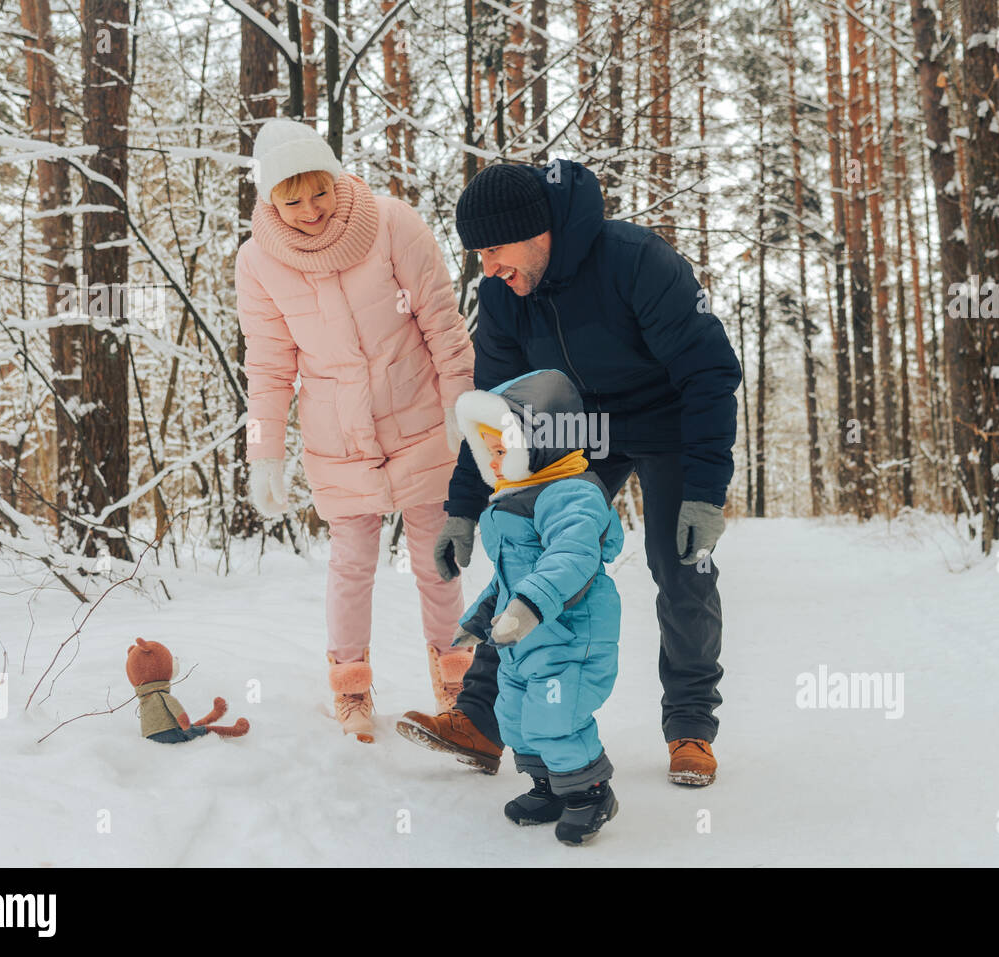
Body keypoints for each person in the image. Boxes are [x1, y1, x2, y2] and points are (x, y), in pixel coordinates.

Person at [396, 159, 740, 785]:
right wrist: (465, 507)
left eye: (495, 249)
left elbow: (710, 372)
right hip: (576, 430)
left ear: (537, 230)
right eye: (478, 255)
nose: (488, 266)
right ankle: (481, 719)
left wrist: (704, 492)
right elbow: (494, 405)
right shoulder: (503, 294)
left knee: (681, 565)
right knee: (526, 546)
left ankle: (690, 725)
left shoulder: (637, 261)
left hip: (668, 421)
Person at [235, 118, 476, 742]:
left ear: (334, 177)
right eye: (291, 200)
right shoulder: (259, 261)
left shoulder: (391, 222)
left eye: (318, 191)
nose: (309, 210)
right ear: (269, 200)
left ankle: (457, 690)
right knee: (351, 566)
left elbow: (442, 323)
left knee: (437, 559)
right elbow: (267, 362)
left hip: (421, 421)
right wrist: (264, 454)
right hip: (337, 438)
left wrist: (459, 407)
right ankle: (352, 693)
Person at [440, 368, 624, 844]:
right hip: (521, 639)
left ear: (541, 442)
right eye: (490, 451)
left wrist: (527, 607)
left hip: (569, 633)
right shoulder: (509, 501)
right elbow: (506, 579)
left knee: (555, 715)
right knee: (515, 713)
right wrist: (481, 620)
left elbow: (572, 557)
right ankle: (548, 787)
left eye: (505, 449)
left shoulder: (571, 493)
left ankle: (589, 792)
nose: (497, 462)